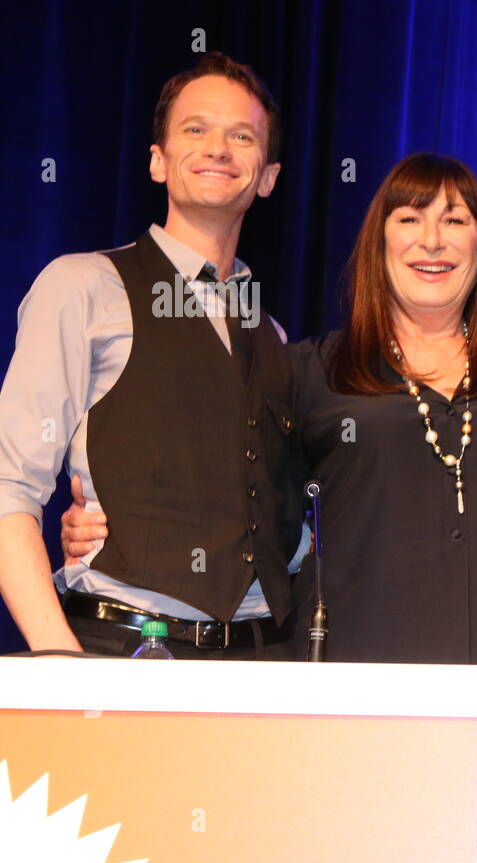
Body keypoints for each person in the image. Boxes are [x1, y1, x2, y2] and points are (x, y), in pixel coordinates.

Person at [0, 52, 305, 660]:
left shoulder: (272, 335)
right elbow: (8, 488)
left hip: (260, 665)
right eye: (196, 129)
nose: (218, 148)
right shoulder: (83, 286)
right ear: (158, 160)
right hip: (123, 650)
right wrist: (61, 662)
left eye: (241, 136)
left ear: (267, 175)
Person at [284, 153, 477, 663]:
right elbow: (259, 508)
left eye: (454, 220)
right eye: (410, 218)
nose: (432, 240)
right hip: (355, 678)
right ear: (379, 240)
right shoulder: (313, 370)